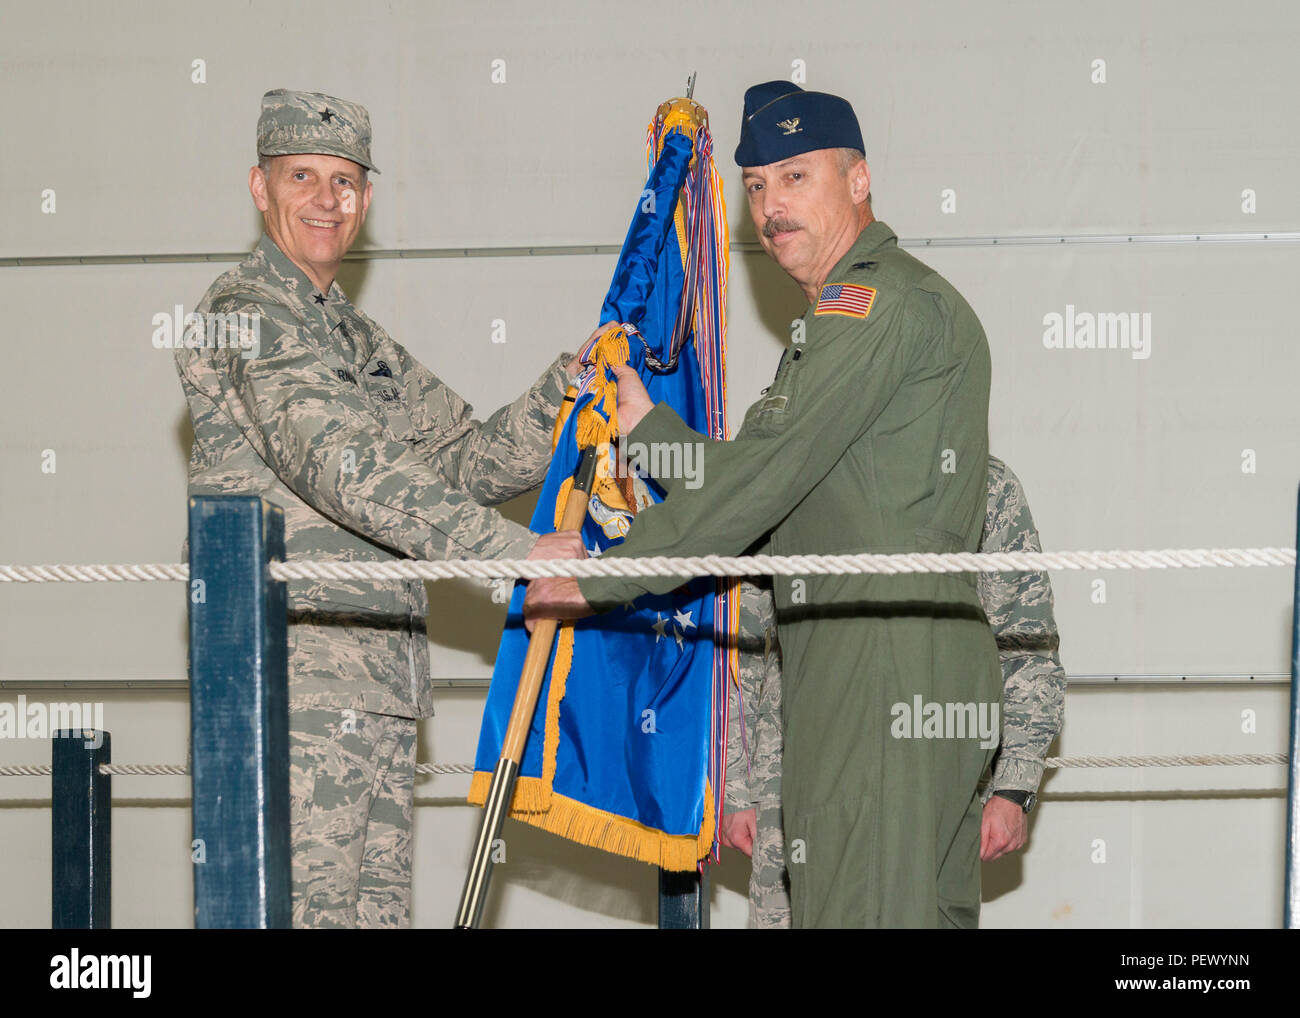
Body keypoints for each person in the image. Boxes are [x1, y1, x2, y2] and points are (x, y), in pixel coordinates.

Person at [525, 81, 1000, 927]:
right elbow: (778, 488)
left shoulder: (874, 304)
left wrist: (605, 579)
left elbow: (768, 476)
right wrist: (648, 430)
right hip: (880, 660)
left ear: (858, 181)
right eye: (755, 187)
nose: (773, 207)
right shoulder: (853, 314)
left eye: (796, 177)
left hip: (881, 665)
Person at [174, 88, 591, 928]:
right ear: (260, 189)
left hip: (380, 689)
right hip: (292, 683)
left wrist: (567, 391)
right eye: (303, 177)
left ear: (366, 199)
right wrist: (509, 558)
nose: (327, 200)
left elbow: (460, 459)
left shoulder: (355, 339)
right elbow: (339, 464)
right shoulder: (244, 315)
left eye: (346, 182)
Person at [723, 455, 1068, 928]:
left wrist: (1013, 788)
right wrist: (737, 786)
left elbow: (1027, 646)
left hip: (932, 782)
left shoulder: (977, 483)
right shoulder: (802, 464)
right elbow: (739, 647)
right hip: (796, 787)